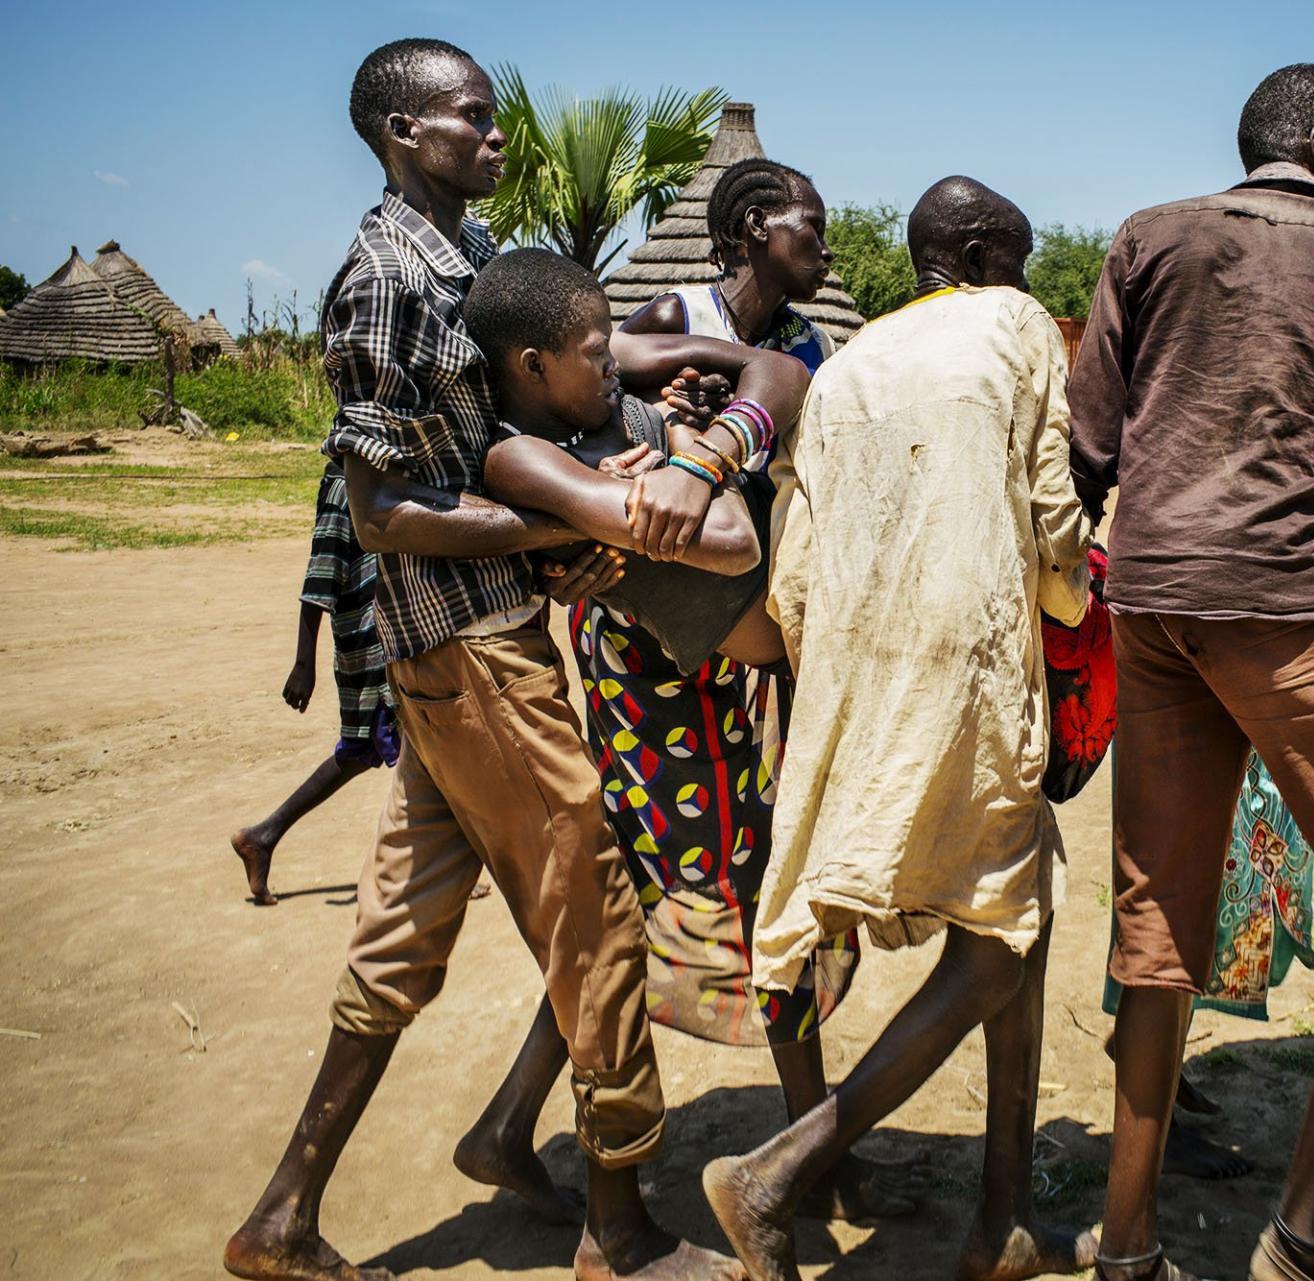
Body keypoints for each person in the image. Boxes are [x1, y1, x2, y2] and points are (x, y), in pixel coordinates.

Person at [224, 40, 743, 1281]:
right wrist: (582, 521)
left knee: (399, 935)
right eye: (470, 118)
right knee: (599, 917)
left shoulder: (462, 264)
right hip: (473, 654)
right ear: (402, 132)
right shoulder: (387, 283)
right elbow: (389, 511)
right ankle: (619, 1234)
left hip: (457, 660)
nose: (495, 135)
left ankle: (282, 1220)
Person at [1070, 65, 1314, 1281]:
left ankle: (1127, 1246)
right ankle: (1305, 1234)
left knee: (1159, 933)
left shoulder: (1146, 235)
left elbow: (1092, 444)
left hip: (1147, 605)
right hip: (1278, 613)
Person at [700, 176, 1097, 1281]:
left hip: (861, 674)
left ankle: (1002, 1222)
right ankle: (777, 1173)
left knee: (1018, 915)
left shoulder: (851, 361)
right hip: (969, 666)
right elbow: (1055, 515)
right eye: (1015, 255)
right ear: (975, 252)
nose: (1022, 277)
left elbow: (802, 566)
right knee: (994, 946)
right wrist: (1075, 599)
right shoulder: (1015, 325)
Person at [607, 158, 917, 1221]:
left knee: (766, 880)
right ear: (749, 229)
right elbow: (608, 361)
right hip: (657, 650)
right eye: (809, 227)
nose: (824, 246)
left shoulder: (808, 348)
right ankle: (565, 1138)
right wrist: (721, 360)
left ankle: (808, 1149)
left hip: (759, 650)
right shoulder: (676, 312)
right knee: (664, 888)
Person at [1099, 606, 1314, 1183]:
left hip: (1225, 690)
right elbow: (1240, 607)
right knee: (1189, 914)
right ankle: (1155, 1126)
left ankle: (1155, 1076)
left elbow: (1269, 587)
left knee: (1212, 911)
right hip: (1219, 698)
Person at [230, 465, 398, 906]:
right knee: (405, 747)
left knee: (369, 750)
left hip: (392, 635)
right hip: (370, 641)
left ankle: (263, 836)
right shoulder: (346, 484)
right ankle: (415, 867)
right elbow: (320, 573)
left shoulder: (380, 474)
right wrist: (304, 663)